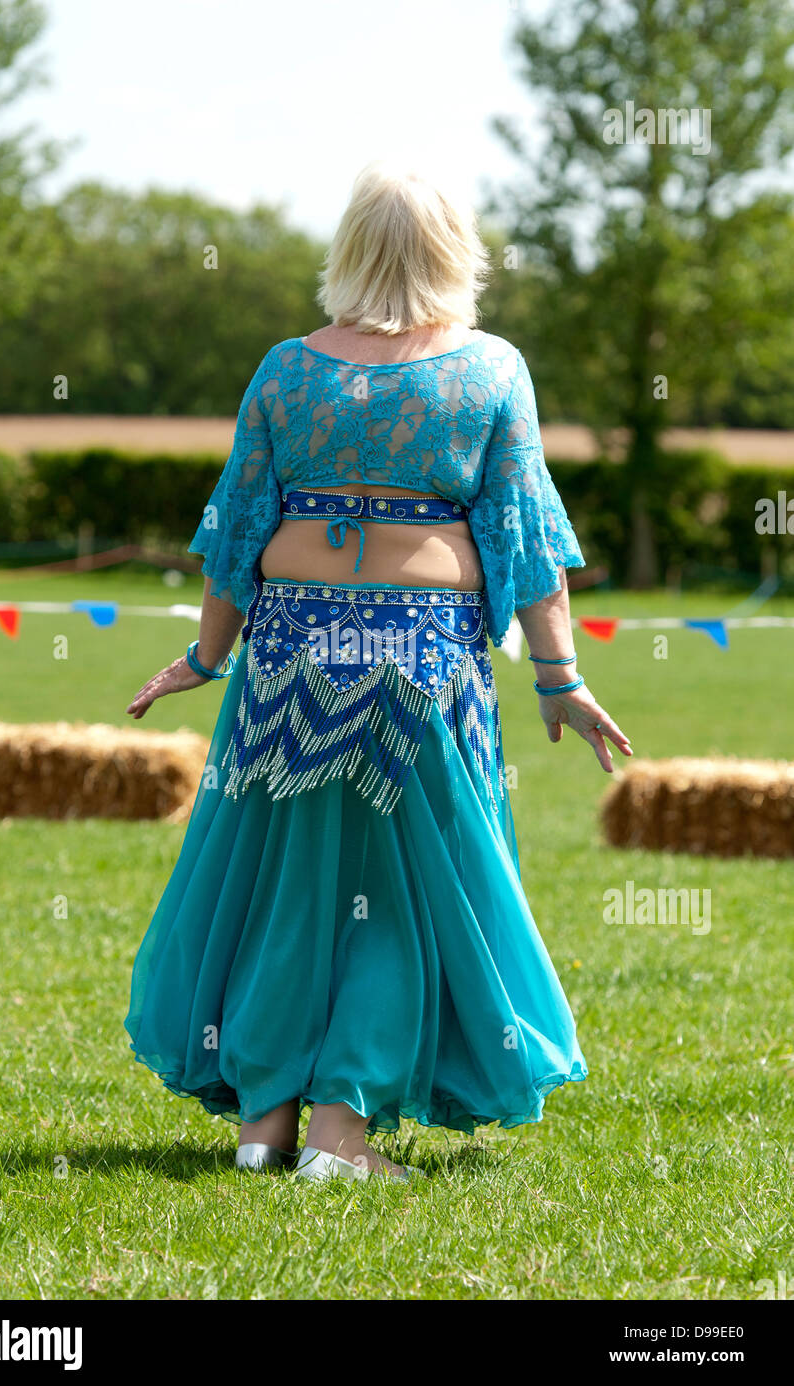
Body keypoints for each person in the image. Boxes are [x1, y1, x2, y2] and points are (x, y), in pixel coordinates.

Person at [123, 161, 632, 1184]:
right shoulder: (488, 371)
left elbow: (236, 532)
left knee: (287, 885)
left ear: (349, 248)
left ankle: (262, 1123)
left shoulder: (284, 368)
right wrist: (559, 676)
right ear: (457, 251)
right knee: (394, 897)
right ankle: (340, 1136)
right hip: (418, 660)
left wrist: (204, 657)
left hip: (285, 657)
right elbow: (521, 541)